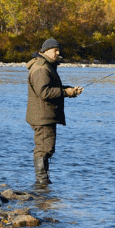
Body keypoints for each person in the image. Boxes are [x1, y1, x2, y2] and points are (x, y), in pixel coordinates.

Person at [25, 38, 83, 184]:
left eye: (58, 50)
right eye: (55, 50)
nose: (58, 53)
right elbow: (44, 92)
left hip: (45, 115)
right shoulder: (41, 69)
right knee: (44, 148)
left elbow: (51, 87)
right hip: (42, 116)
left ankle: (44, 181)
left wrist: (70, 90)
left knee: (46, 148)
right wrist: (66, 93)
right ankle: (41, 182)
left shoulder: (47, 66)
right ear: (46, 51)